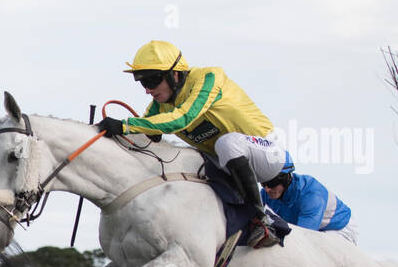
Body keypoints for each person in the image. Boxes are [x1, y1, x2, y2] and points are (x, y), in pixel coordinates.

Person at [97, 40, 286, 248]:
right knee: (186, 162)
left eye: (152, 80)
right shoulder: (159, 105)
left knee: (227, 143)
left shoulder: (209, 78)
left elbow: (181, 119)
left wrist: (124, 125)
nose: (148, 90)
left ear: (175, 74)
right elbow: (143, 134)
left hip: (268, 152)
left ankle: (263, 220)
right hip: (227, 162)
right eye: (143, 82)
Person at [261, 163, 357, 244]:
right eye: (263, 183)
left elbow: (304, 238)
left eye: (272, 183)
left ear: (286, 178)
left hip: (339, 230)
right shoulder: (265, 194)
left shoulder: (311, 195)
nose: (267, 189)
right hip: (311, 230)